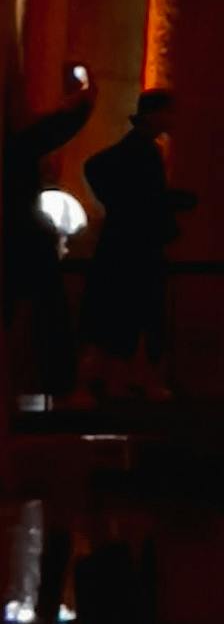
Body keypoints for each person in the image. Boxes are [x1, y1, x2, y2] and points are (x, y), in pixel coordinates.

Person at [80, 89, 195, 395]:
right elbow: (146, 196)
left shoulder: (138, 149)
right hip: (137, 248)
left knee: (124, 313)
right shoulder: (142, 151)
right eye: (168, 112)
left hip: (128, 244)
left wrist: (119, 204)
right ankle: (133, 379)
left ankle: (116, 379)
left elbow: (96, 168)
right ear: (155, 115)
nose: (173, 119)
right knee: (138, 311)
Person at [5, 64, 94, 399]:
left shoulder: (18, 145)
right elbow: (49, 131)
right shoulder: (18, 147)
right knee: (50, 309)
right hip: (21, 235)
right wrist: (84, 100)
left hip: (20, 233)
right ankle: (58, 386)